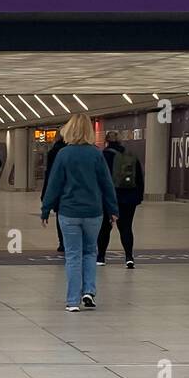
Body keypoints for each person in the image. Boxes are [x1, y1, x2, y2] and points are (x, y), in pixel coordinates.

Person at [41, 113, 118, 311]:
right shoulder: (96, 154)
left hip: (69, 212)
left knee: (73, 255)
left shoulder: (63, 154)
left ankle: (73, 301)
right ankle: (89, 291)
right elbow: (106, 184)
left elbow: (54, 184)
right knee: (90, 252)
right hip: (93, 212)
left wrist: (46, 208)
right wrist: (113, 209)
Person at [97, 129, 145, 267]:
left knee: (104, 228)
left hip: (108, 198)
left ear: (106, 141)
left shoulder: (103, 156)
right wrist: (138, 197)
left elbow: (99, 178)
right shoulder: (130, 155)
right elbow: (139, 179)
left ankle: (101, 257)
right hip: (128, 198)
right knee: (126, 228)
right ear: (120, 141)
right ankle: (129, 258)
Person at [41, 132, 66, 252]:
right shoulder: (70, 151)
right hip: (71, 191)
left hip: (58, 190)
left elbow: (50, 174)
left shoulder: (53, 152)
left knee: (59, 216)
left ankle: (62, 242)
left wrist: (46, 195)